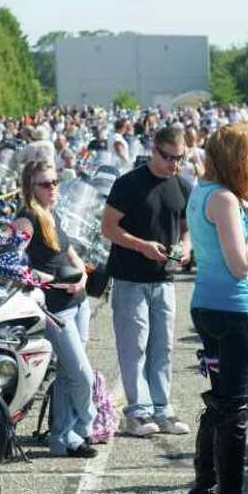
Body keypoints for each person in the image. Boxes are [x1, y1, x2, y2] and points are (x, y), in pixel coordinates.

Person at [186, 123, 248, 494]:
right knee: (234, 410)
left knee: (219, 404)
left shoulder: (203, 192)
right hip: (234, 310)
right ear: (240, 160)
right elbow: (241, 265)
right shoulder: (221, 198)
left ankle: (204, 490)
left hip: (207, 304)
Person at [101, 126, 192, 438]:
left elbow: (185, 228)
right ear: (154, 150)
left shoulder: (181, 185)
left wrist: (185, 250)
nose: (174, 164)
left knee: (162, 348)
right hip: (130, 279)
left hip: (164, 280)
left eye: (180, 158)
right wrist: (142, 246)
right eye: (168, 157)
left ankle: (162, 408)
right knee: (135, 347)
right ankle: (137, 412)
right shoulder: (128, 184)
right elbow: (109, 228)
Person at [13, 161, 98, 458]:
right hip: (54, 309)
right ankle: (87, 423)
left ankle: (62, 438)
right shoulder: (27, 218)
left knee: (67, 374)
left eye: (55, 182)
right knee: (81, 375)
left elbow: (70, 252)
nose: (53, 188)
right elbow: (16, 263)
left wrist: (82, 276)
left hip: (78, 302)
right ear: (30, 188)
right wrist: (54, 279)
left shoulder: (52, 214)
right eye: (45, 184)